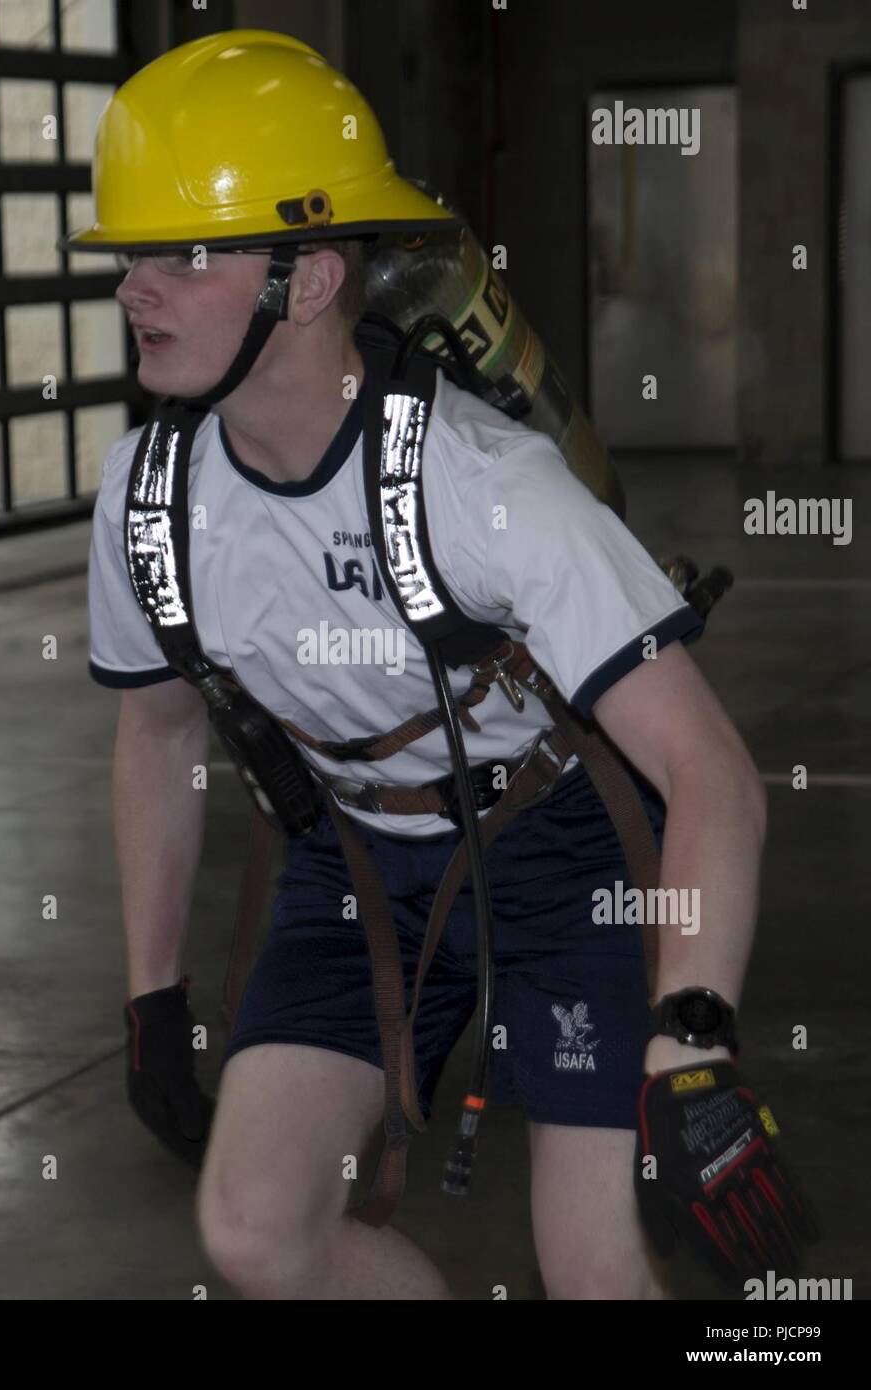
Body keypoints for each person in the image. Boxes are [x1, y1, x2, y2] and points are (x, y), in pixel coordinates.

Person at [72, 29, 816, 1300]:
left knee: (589, 1268)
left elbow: (710, 773)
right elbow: (158, 736)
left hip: (561, 848)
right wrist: (153, 1000)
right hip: (356, 855)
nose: (134, 288)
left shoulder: (483, 487)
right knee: (256, 1228)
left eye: (180, 255)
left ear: (306, 281)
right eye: (130, 254)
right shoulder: (147, 504)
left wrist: (687, 1048)